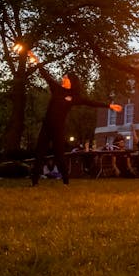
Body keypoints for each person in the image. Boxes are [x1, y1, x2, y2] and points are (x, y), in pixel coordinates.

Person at [27, 49, 122, 186]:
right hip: (46, 126)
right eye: (63, 77)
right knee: (39, 153)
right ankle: (34, 182)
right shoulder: (56, 89)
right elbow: (45, 74)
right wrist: (35, 59)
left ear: (71, 81)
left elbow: (90, 102)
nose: (62, 79)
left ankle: (65, 181)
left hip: (58, 129)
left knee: (59, 154)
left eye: (65, 78)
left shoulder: (74, 97)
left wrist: (109, 106)